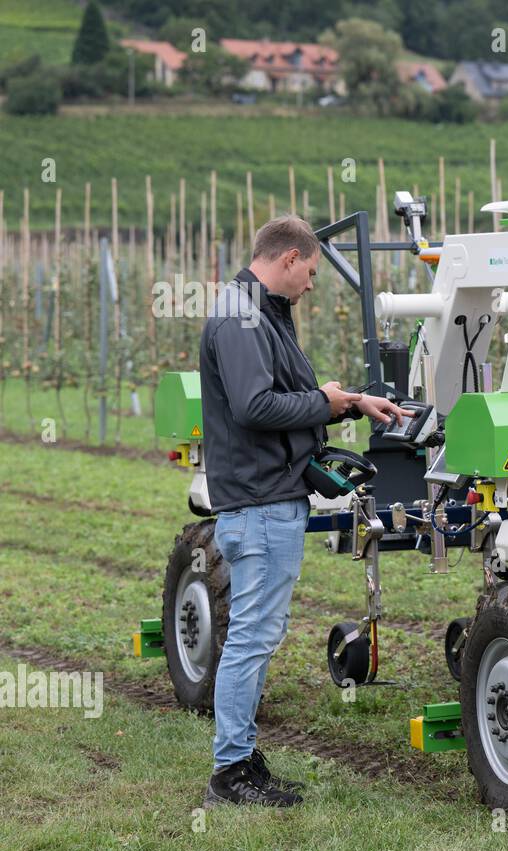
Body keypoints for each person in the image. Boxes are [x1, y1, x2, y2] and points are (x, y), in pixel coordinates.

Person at [198, 215, 412, 807]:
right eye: (312, 272)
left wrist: (346, 404)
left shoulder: (262, 314)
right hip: (261, 502)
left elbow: (282, 397)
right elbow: (254, 406)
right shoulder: (242, 316)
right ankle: (230, 775)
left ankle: (241, 758)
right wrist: (324, 400)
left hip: (269, 499)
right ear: (288, 258)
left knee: (259, 634)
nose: (312, 285)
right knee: (251, 638)